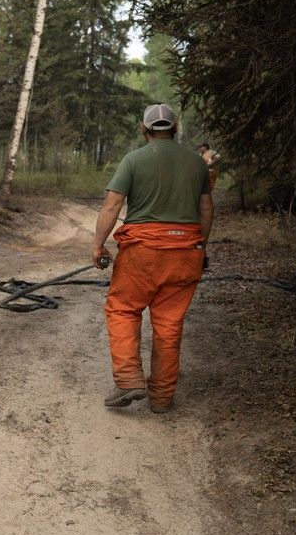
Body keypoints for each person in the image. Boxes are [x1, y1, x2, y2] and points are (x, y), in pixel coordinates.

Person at [92, 103, 214, 414]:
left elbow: (111, 206)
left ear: (144, 130)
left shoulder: (134, 160)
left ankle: (129, 377)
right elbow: (206, 210)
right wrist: (200, 247)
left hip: (142, 253)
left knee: (122, 309)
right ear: (175, 129)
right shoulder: (198, 164)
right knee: (169, 323)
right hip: (186, 253)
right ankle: (161, 397)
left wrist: (98, 245)